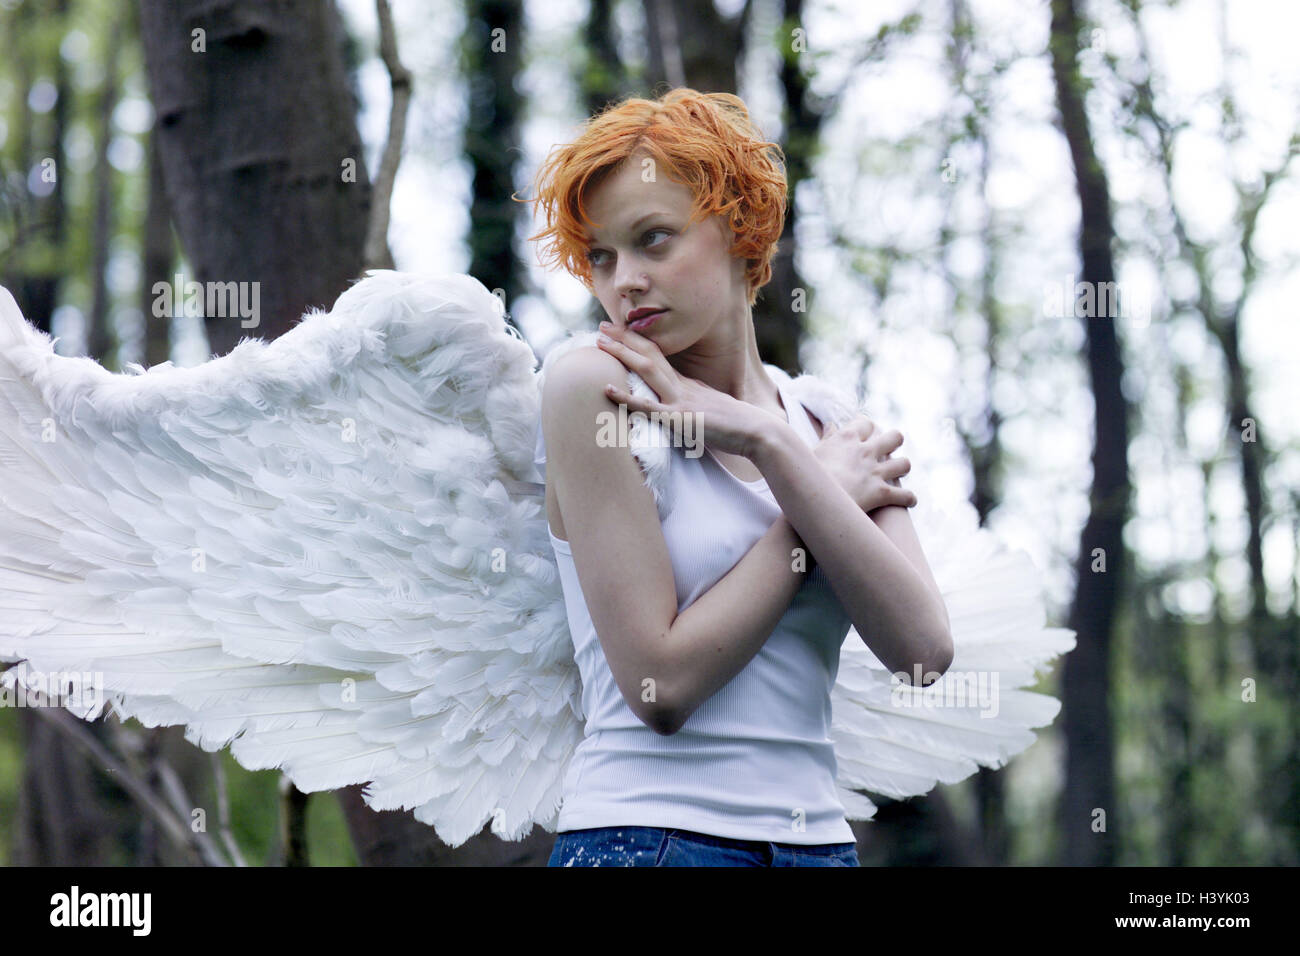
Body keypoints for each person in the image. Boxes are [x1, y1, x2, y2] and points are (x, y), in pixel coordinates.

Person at [518, 88, 953, 866]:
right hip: (646, 840)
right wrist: (810, 506)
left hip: (820, 847)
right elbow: (662, 686)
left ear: (743, 234)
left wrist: (770, 442)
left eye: (654, 240)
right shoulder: (595, 388)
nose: (625, 282)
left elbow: (922, 651)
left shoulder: (823, 422)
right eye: (602, 257)